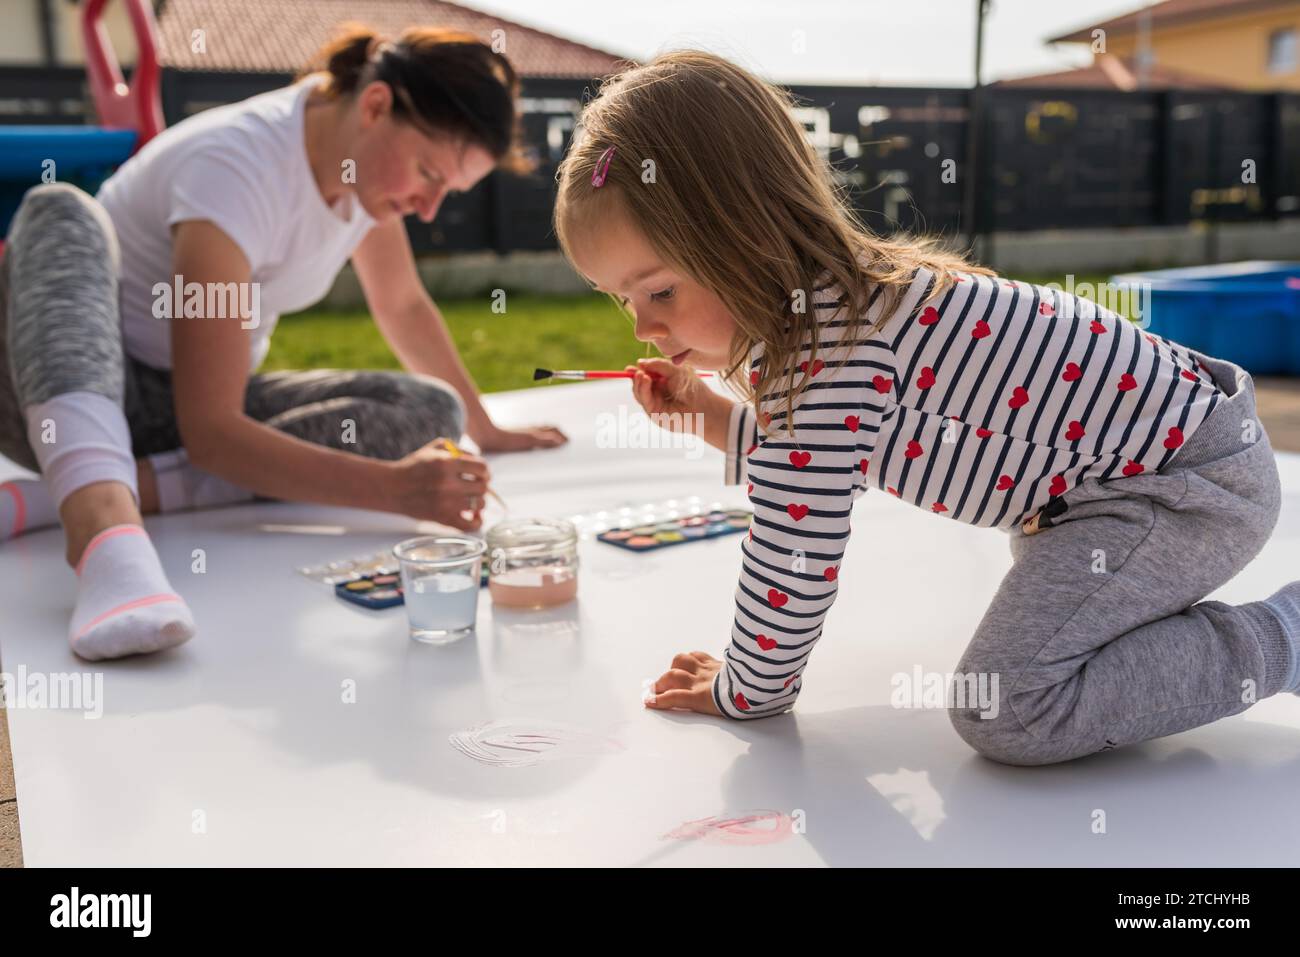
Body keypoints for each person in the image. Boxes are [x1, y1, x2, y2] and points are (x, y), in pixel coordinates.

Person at [552, 50, 1300, 766]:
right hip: (1150, 472)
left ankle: (1284, 637)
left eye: (660, 292)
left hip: (1178, 489)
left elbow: (794, 550)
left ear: (744, 235)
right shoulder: (845, 311)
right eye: (625, 301)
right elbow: (816, 456)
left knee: (1008, 708)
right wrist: (711, 417)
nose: (645, 327)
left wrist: (746, 688)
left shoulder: (830, 352)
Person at [0, 24, 565, 661]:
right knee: (59, 210)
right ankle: (103, 530)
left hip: (168, 422)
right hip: (54, 389)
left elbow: (402, 304)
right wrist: (394, 491)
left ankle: (81, 487)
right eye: (428, 174)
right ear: (376, 105)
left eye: (447, 193)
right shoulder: (237, 166)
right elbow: (211, 430)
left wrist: (482, 428)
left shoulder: (364, 183)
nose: (428, 208)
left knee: (434, 413)